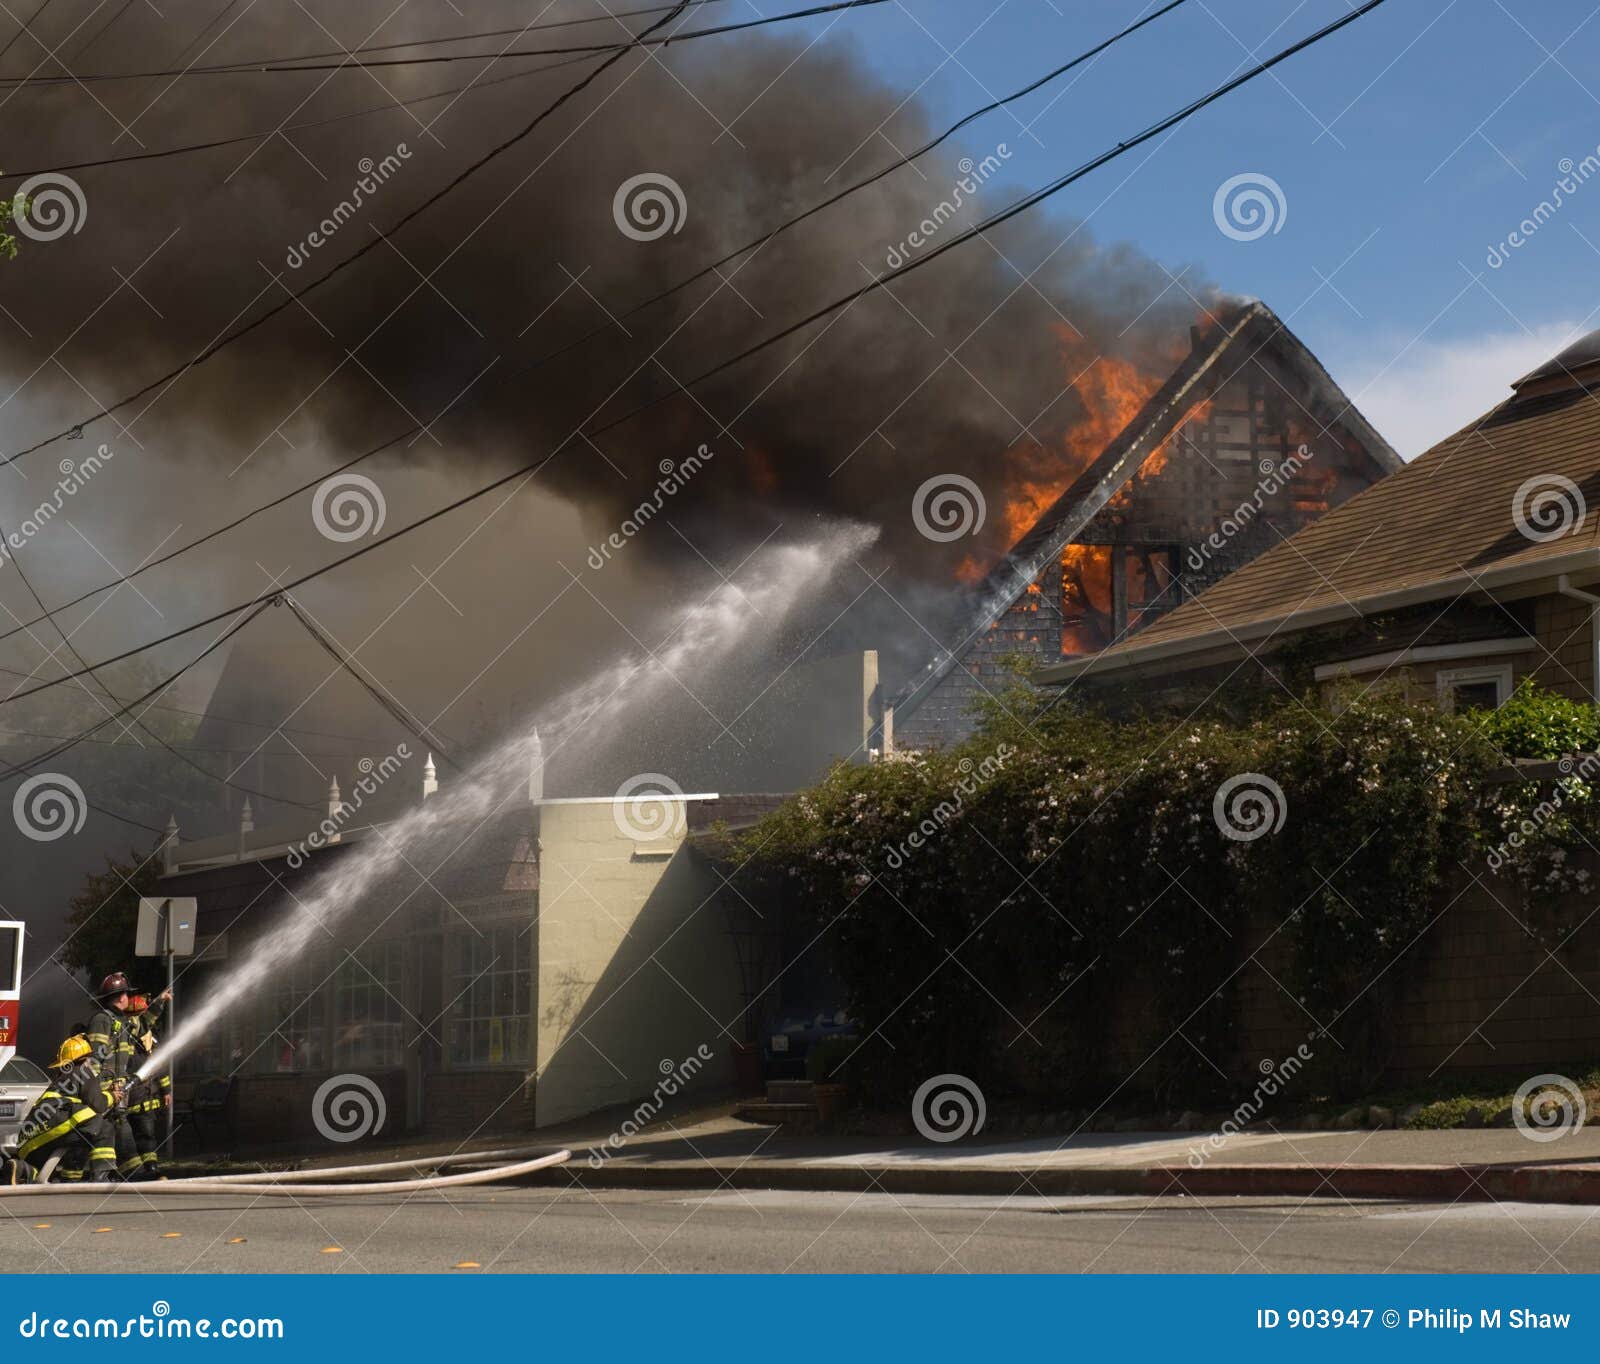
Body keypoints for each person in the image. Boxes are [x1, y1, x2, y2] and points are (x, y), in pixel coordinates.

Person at [15, 1035, 115, 1182]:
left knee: (81, 1134)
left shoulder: (59, 1079)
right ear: (85, 1058)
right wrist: (112, 1096)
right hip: (56, 1122)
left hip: (28, 1139)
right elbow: (98, 1104)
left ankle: (22, 1169)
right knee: (103, 1127)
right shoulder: (82, 1071)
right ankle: (101, 1177)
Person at [85, 972, 137, 1177]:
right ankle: (101, 1172)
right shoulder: (101, 1020)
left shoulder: (120, 1022)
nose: (127, 998)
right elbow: (95, 1058)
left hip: (118, 1087)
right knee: (104, 1128)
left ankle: (130, 1172)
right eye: (125, 994)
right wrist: (98, 1088)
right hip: (105, 1088)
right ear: (120, 996)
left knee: (120, 1127)